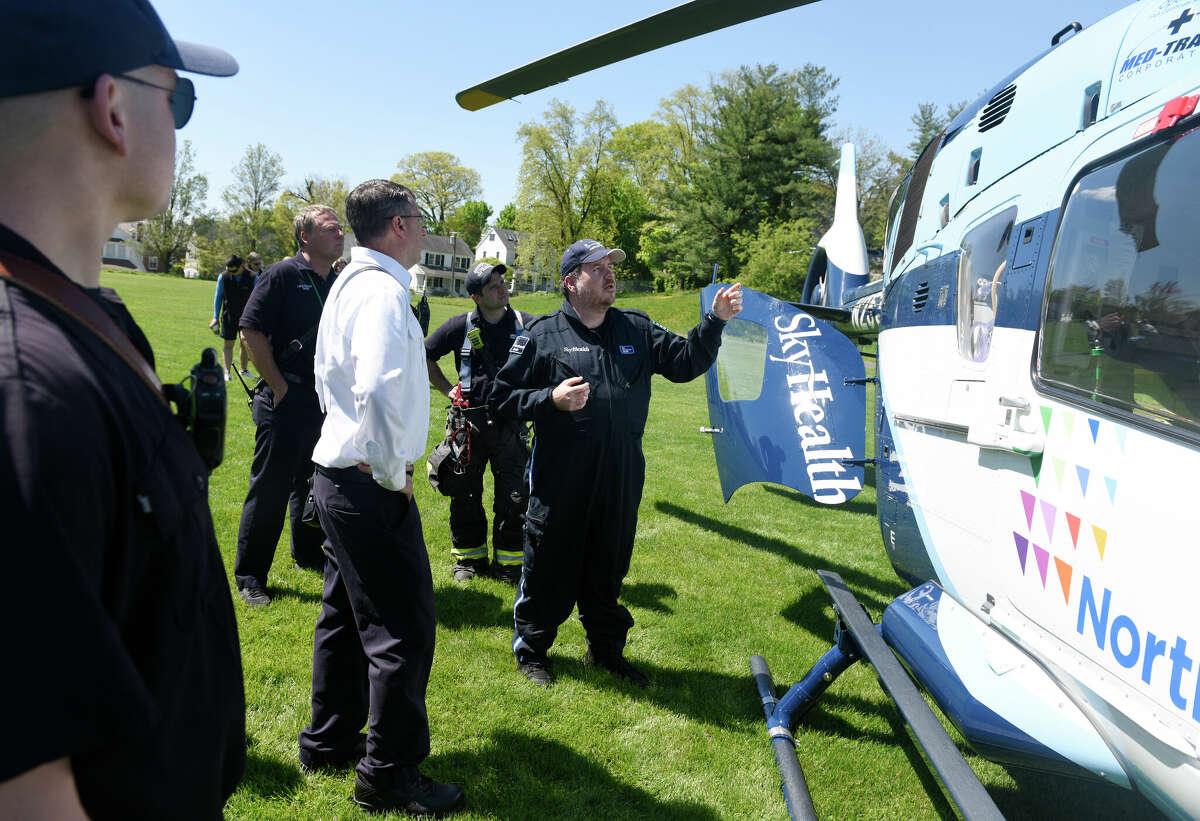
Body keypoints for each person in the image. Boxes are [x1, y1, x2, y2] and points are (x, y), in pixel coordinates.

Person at [0, 1, 245, 817]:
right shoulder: (25, 394)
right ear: (112, 109)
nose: (179, 126)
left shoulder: (84, 314)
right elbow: (27, 786)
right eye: (176, 100)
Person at [490, 239, 743, 688]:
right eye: (597, 268)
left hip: (621, 477)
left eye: (612, 266)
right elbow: (501, 397)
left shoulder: (636, 329)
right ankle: (532, 651)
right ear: (571, 282)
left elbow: (685, 363)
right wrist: (551, 399)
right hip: (561, 479)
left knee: (608, 567)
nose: (610, 274)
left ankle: (605, 651)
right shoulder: (542, 334)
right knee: (548, 567)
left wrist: (714, 322)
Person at [299, 179, 464, 816]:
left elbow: (325, 375)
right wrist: (392, 469)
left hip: (338, 471)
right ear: (397, 226)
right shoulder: (380, 291)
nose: (423, 229)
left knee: (343, 616)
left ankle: (329, 740)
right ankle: (388, 772)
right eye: (418, 219)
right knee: (402, 630)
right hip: (366, 479)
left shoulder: (350, 281)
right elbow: (375, 386)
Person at [233, 204, 343, 606]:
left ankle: (307, 553)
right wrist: (278, 385)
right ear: (305, 237)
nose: (339, 233)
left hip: (322, 402)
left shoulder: (337, 282)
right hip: (285, 397)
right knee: (271, 488)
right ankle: (250, 576)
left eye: (339, 228)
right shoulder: (281, 274)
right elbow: (250, 328)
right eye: (330, 228)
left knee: (311, 483)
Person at [425, 262, 535, 583]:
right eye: (492, 286)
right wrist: (447, 389)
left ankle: (510, 564)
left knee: (515, 497)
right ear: (476, 297)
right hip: (468, 427)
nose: (502, 287)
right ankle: (469, 561)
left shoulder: (526, 324)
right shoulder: (460, 327)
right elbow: (424, 354)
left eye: (502, 281)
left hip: (512, 426)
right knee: (465, 494)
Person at [209, 252, 256, 380]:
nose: (232, 273)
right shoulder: (223, 277)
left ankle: (244, 370)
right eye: (229, 270)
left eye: (234, 270)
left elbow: (258, 298)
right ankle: (227, 373)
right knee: (228, 344)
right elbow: (218, 297)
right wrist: (215, 317)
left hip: (246, 317)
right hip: (229, 315)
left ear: (242, 265)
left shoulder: (252, 277)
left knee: (244, 343)